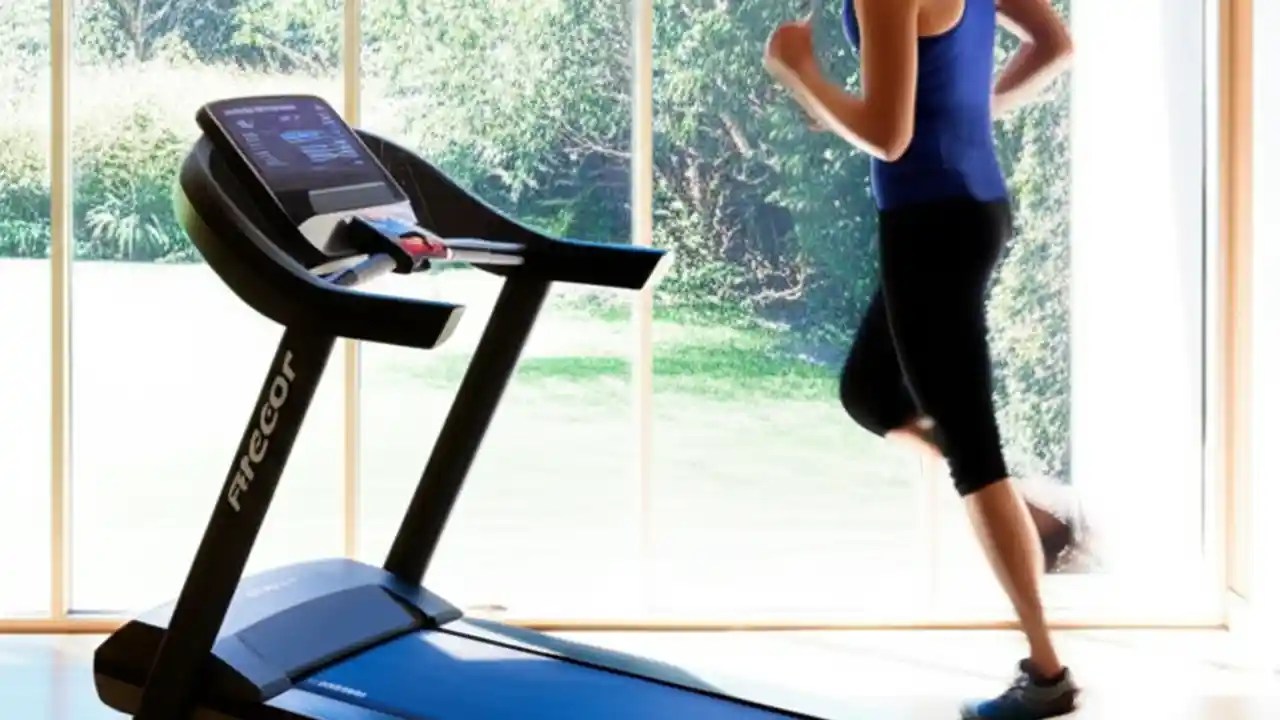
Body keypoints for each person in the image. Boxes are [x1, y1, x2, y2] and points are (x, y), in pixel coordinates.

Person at [763, 0, 1078, 718]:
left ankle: (1047, 673)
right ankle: (1031, 519)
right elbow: (1055, 44)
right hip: (970, 207)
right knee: (871, 392)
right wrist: (970, 112)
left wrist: (800, 72)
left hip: (930, 223)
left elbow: (888, 133)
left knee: (973, 448)